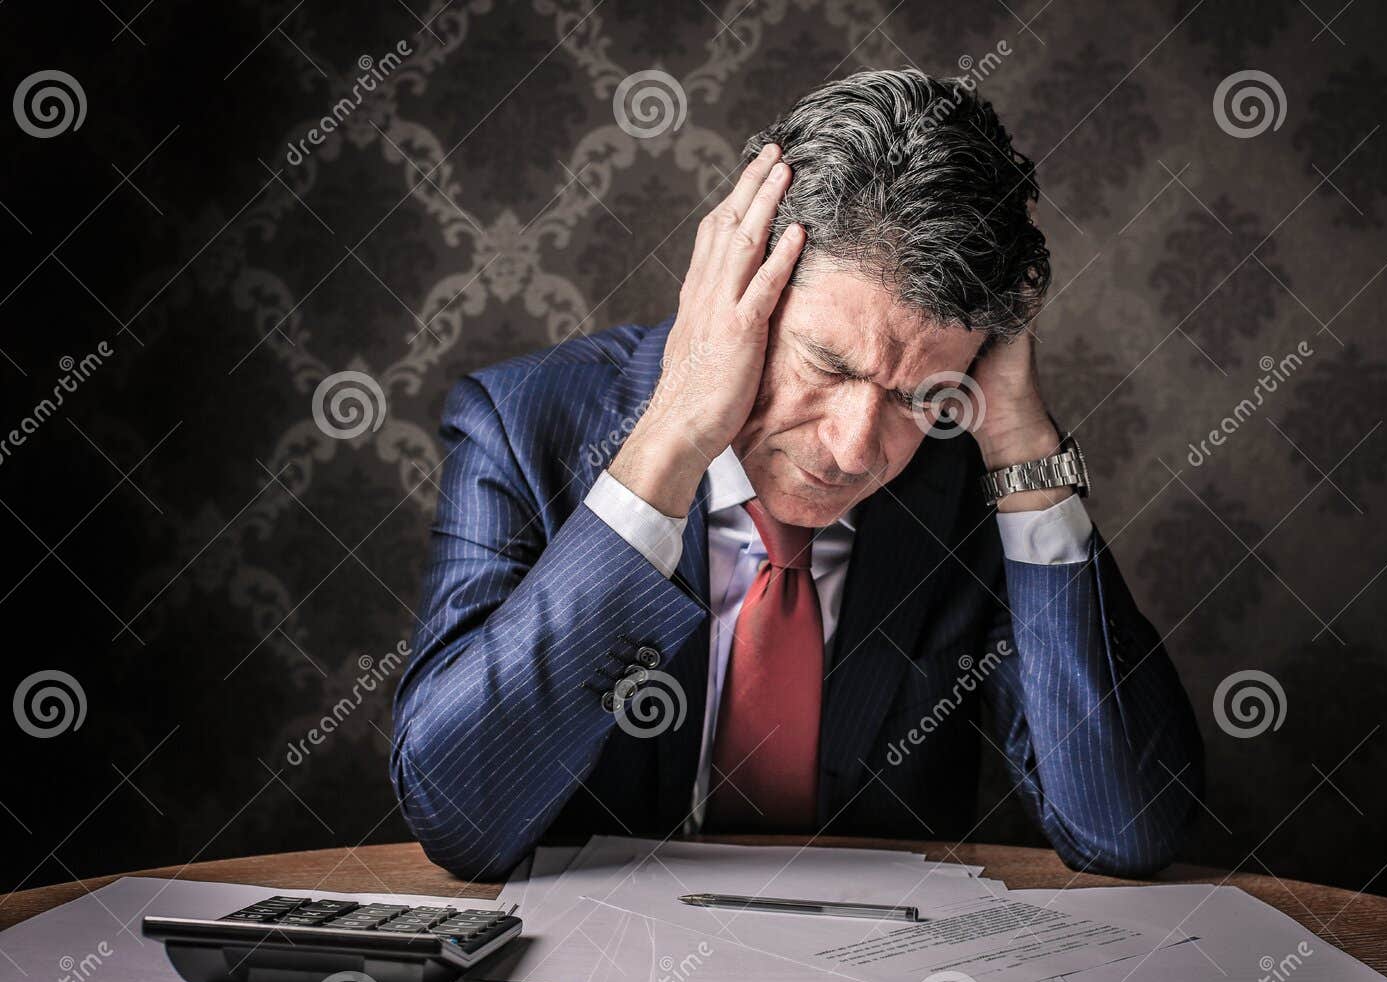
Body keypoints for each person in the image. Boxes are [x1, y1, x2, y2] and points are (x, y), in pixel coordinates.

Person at [389, 69, 1204, 880]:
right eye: (827, 362)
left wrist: (1024, 446)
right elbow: (460, 820)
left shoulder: (971, 487)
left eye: (917, 396)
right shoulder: (520, 424)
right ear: (735, 291)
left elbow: (1125, 829)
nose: (855, 449)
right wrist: (667, 445)